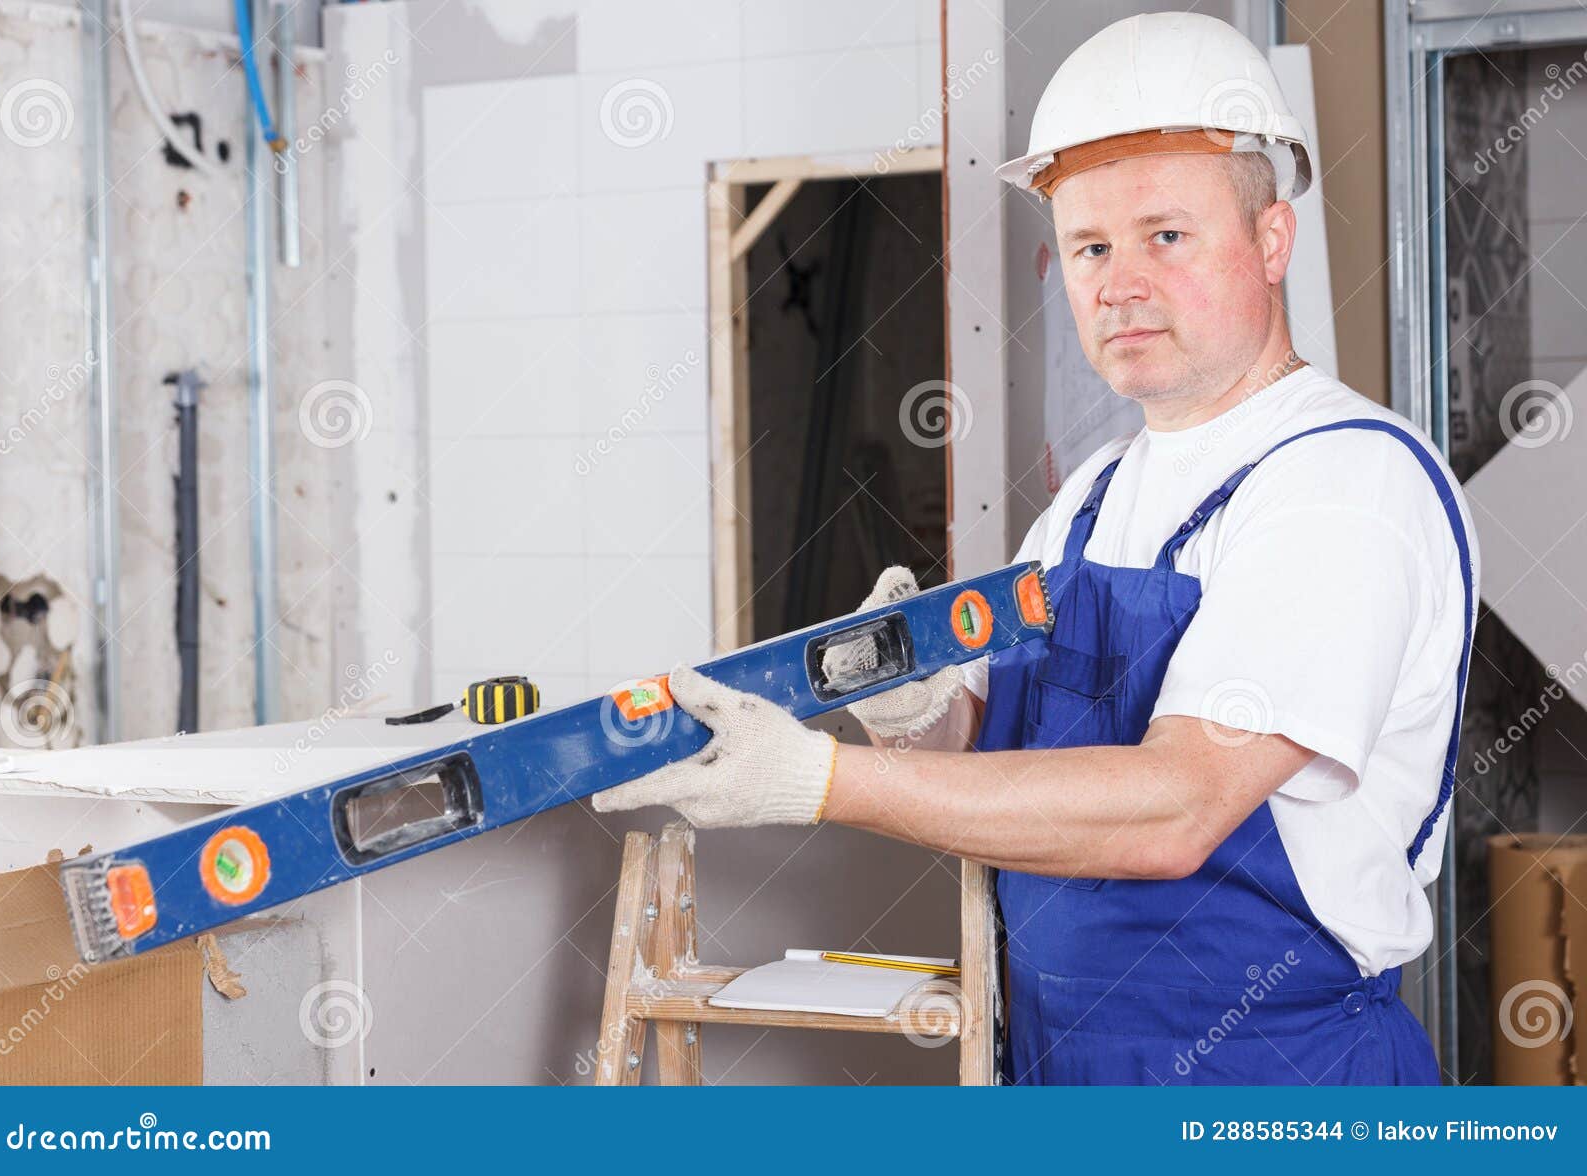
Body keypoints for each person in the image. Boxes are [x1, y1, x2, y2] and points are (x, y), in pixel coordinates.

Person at [595, 11, 1477, 1086]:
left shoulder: (1341, 483)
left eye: (1165, 235)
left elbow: (1177, 806)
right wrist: (915, 717)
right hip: (1060, 1062)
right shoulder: (1093, 501)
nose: (1117, 283)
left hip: (1275, 1074)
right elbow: (996, 776)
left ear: (1272, 239)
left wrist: (824, 781)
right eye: (1088, 247)